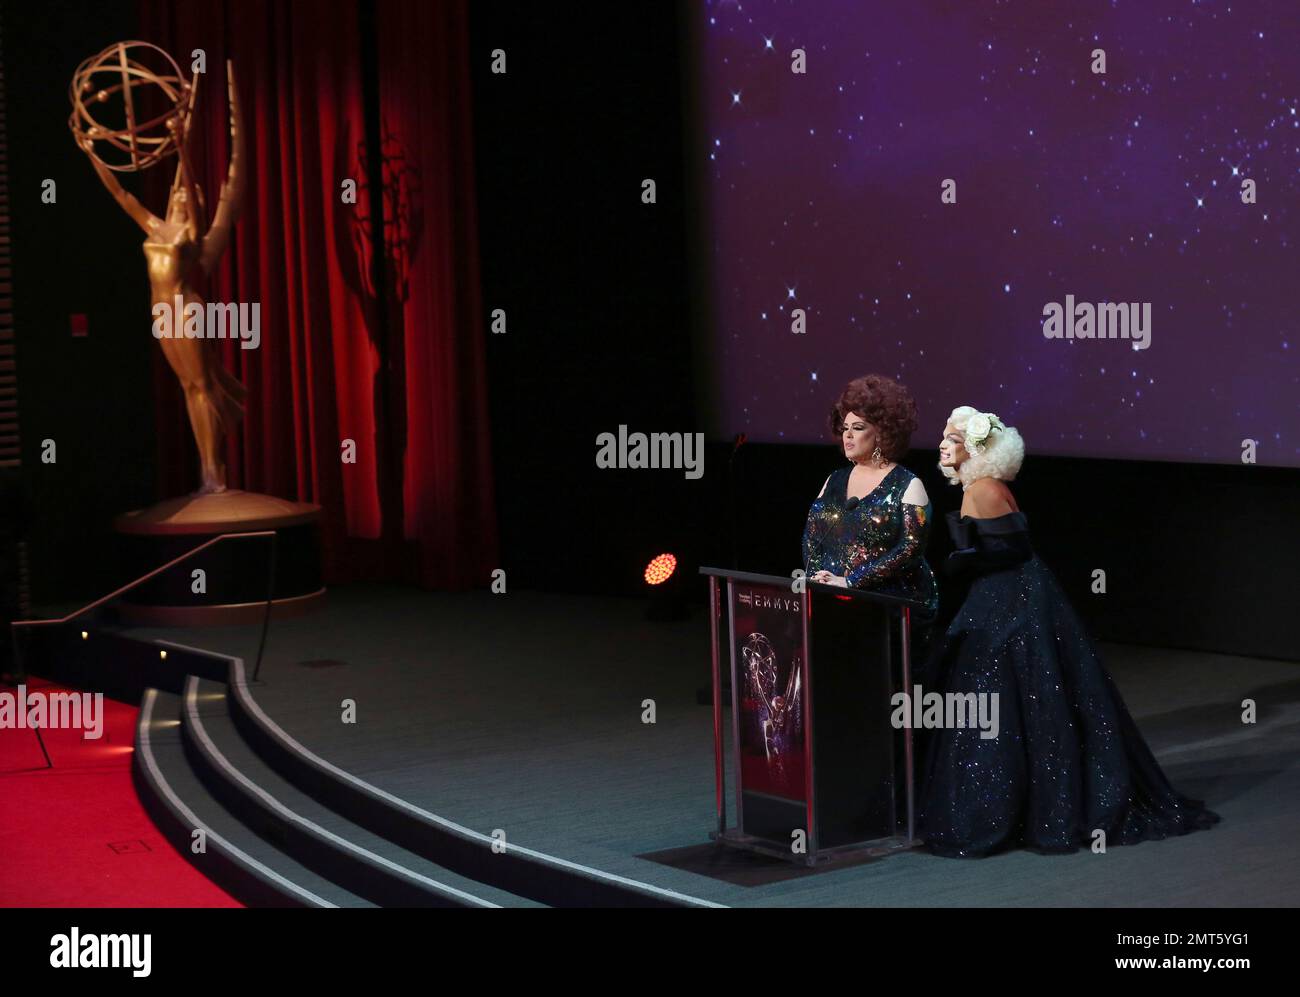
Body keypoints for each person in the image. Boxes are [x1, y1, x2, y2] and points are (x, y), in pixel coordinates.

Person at [917, 405, 1220, 856]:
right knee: (1037, 694)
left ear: (977, 450)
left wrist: (953, 560)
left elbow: (1001, 553)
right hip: (1022, 592)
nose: (942, 445)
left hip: (1008, 599)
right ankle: (1029, 800)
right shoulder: (988, 485)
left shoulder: (979, 489)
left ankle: (996, 808)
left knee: (1002, 691)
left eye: (953, 439)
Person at [802, 374, 938, 621]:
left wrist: (852, 582)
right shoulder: (834, 479)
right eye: (845, 428)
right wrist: (816, 577)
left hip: (889, 609)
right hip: (830, 600)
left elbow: (910, 550)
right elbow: (812, 535)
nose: (848, 435)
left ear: (882, 433)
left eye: (858, 428)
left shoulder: (908, 484)